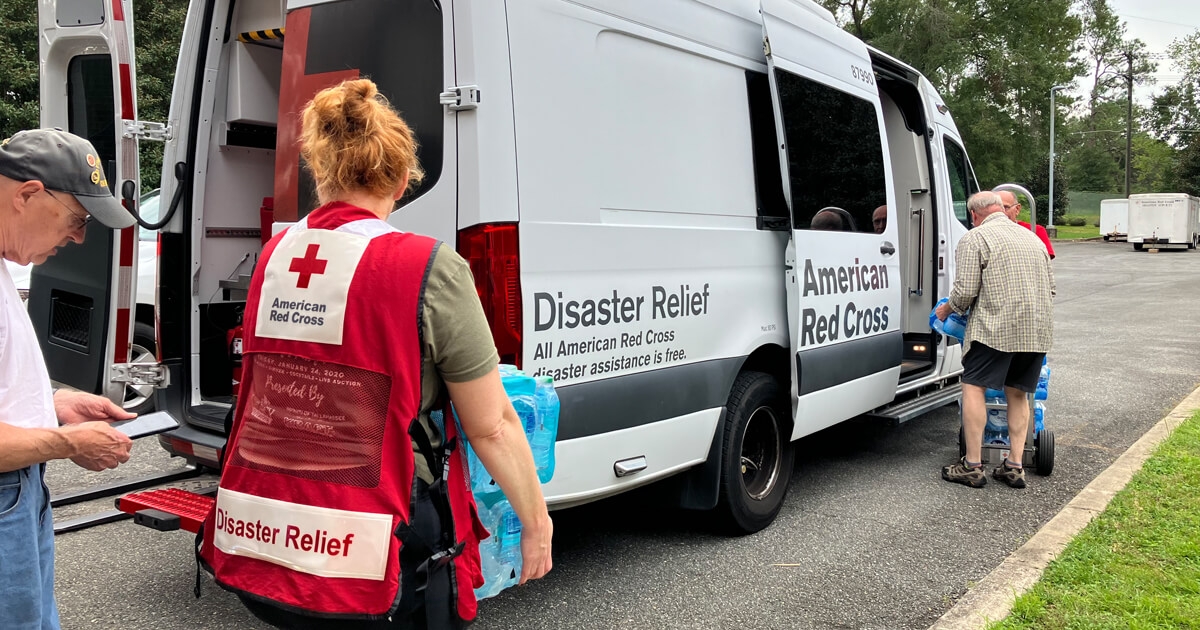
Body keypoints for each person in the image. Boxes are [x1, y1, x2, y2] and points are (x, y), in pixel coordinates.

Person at [200, 79, 553, 629]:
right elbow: (494, 426)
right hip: (378, 539)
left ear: (322, 172)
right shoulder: (427, 267)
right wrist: (535, 521)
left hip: (270, 529)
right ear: (400, 180)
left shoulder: (276, 255)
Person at [0, 128, 138, 630]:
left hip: (19, 488)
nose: (79, 237)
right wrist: (66, 443)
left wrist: (55, 405)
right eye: (77, 219)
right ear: (28, 195)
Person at [935, 191, 1054, 490]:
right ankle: (1014, 465)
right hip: (1037, 331)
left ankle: (972, 465)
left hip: (996, 328)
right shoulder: (1033, 239)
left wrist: (946, 309)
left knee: (973, 385)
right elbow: (1051, 288)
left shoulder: (975, 238)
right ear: (1001, 209)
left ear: (975, 216)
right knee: (1018, 393)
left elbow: (964, 291)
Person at [995, 190, 1055, 259]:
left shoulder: (1036, 230)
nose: (999, 213)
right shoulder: (983, 233)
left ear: (1017, 209)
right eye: (995, 209)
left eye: (1005, 207)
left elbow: (1044, 262)